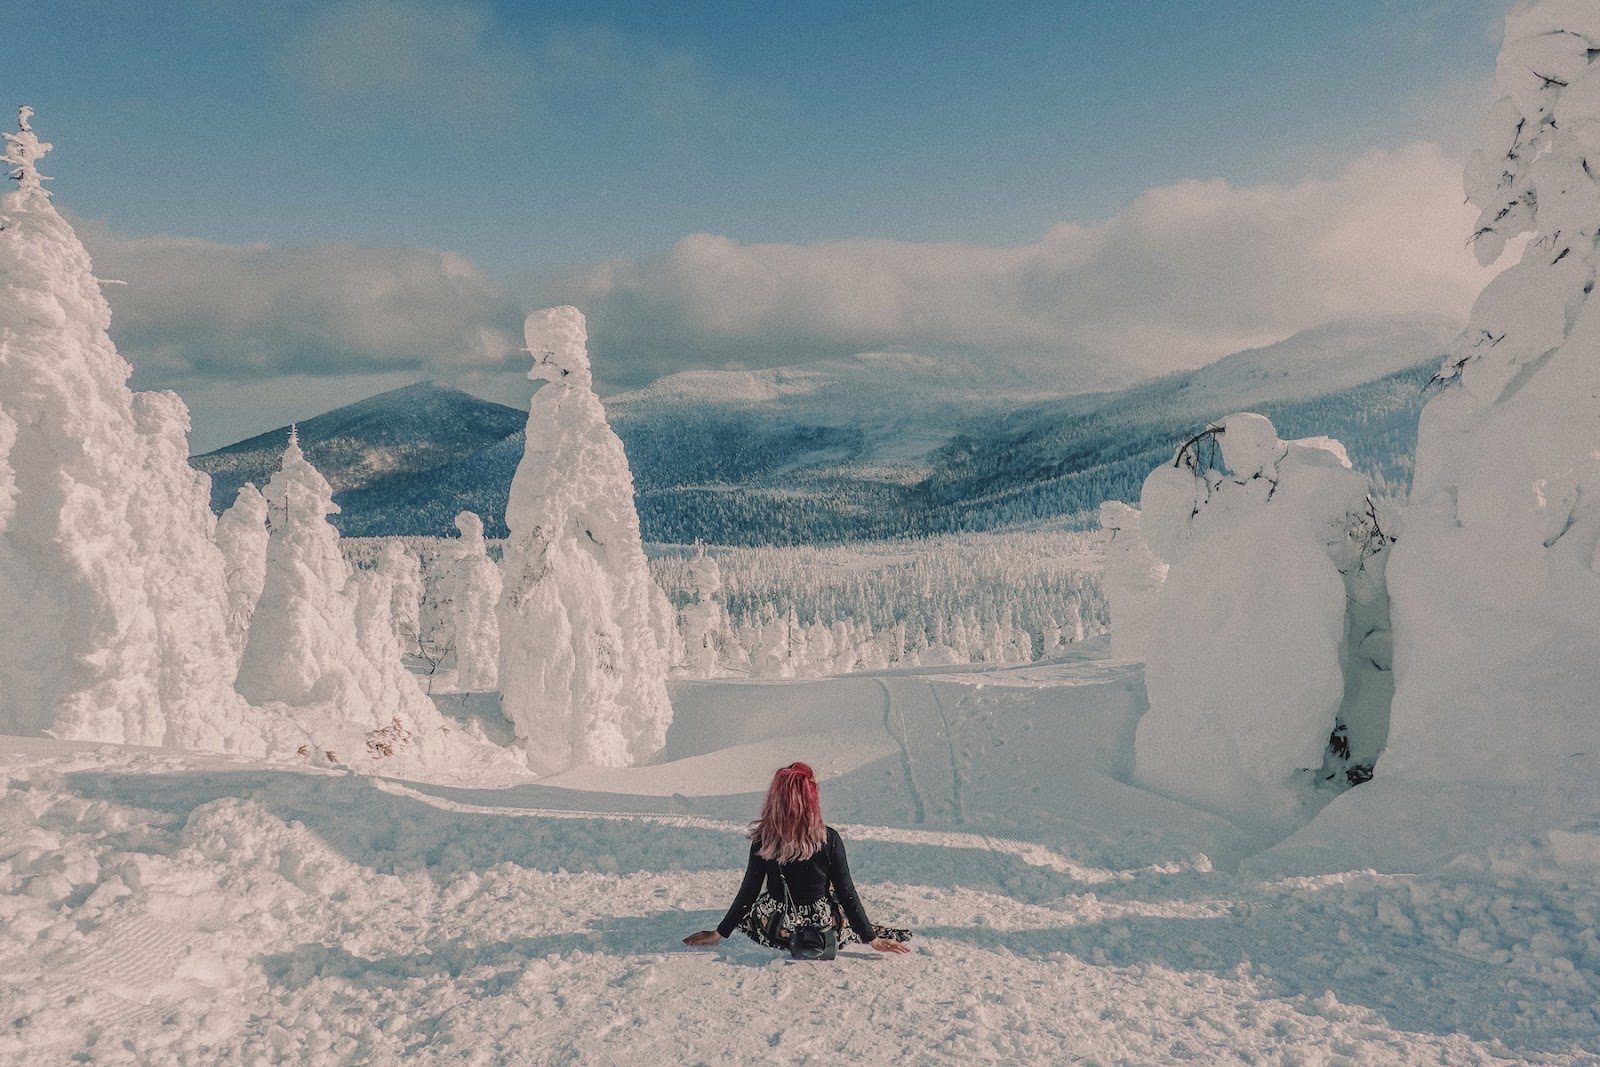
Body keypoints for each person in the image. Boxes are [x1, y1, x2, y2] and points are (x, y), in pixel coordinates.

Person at [683, 762, 912, 955]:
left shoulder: (765, 839)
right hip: (821, 926)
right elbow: (846, 893)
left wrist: (719, 933)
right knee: (833, 893)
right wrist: (872, 939)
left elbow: (749, 891)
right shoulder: (828, 838)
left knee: (761, 906)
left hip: (777, 927)